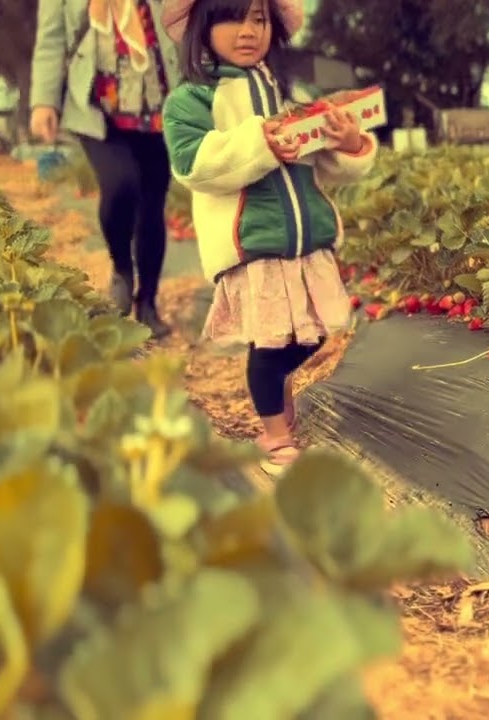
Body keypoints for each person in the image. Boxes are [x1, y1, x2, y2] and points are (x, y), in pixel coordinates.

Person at [160, 0, 378, 473]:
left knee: (317, 332)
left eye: (259, 18)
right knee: (270, 345)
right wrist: (262, 142)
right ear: (203, 27)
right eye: (232, 17)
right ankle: (275, 437)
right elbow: (194, 164)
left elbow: (325, 162)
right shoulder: (192, 99)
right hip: (253, 243)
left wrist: (348, 144)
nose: (248, 30)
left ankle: (274, 387)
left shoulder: (288, 94)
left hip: (307, 242)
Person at [30, 0, 181, 338]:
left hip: (159, 102)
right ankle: (122, 269)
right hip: (98, 107)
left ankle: (148, 304)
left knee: (152, 204)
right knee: (120, 184)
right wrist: (44, 101)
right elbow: (51, 39)